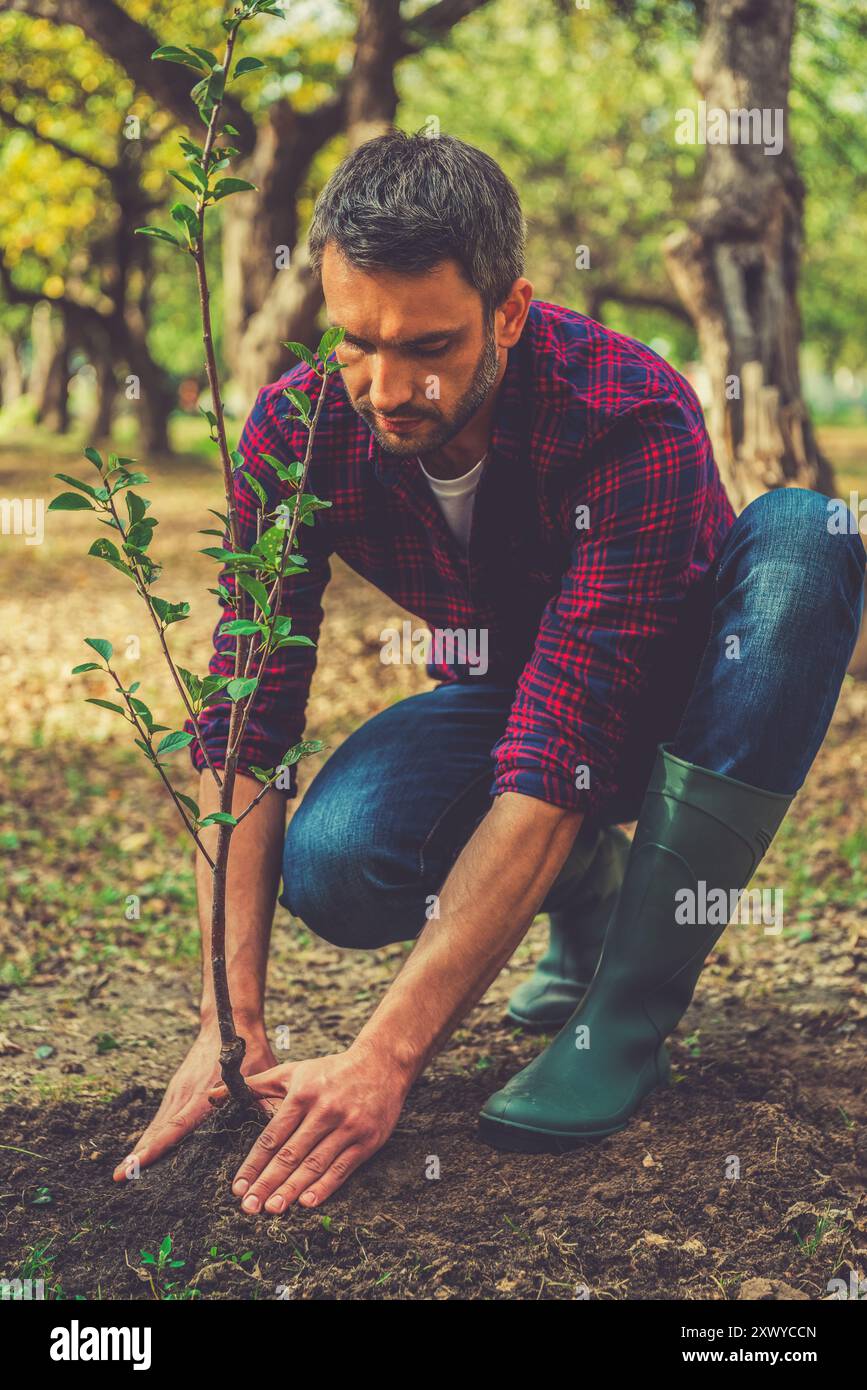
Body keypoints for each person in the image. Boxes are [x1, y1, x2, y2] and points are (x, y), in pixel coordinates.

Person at [113, 131, 865, 1209]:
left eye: (430, 344)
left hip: (684, 691)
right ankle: (589, 892)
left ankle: (625, 1016)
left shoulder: (630, 411)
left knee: (805, 539)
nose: (387, 385)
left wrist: (386, 1058)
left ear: (508, 312)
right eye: (356, 340)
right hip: (518, 691)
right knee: (334, 859)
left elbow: (569, 741)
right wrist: (226, 1026)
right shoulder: (298, 430)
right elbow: (248, 721)